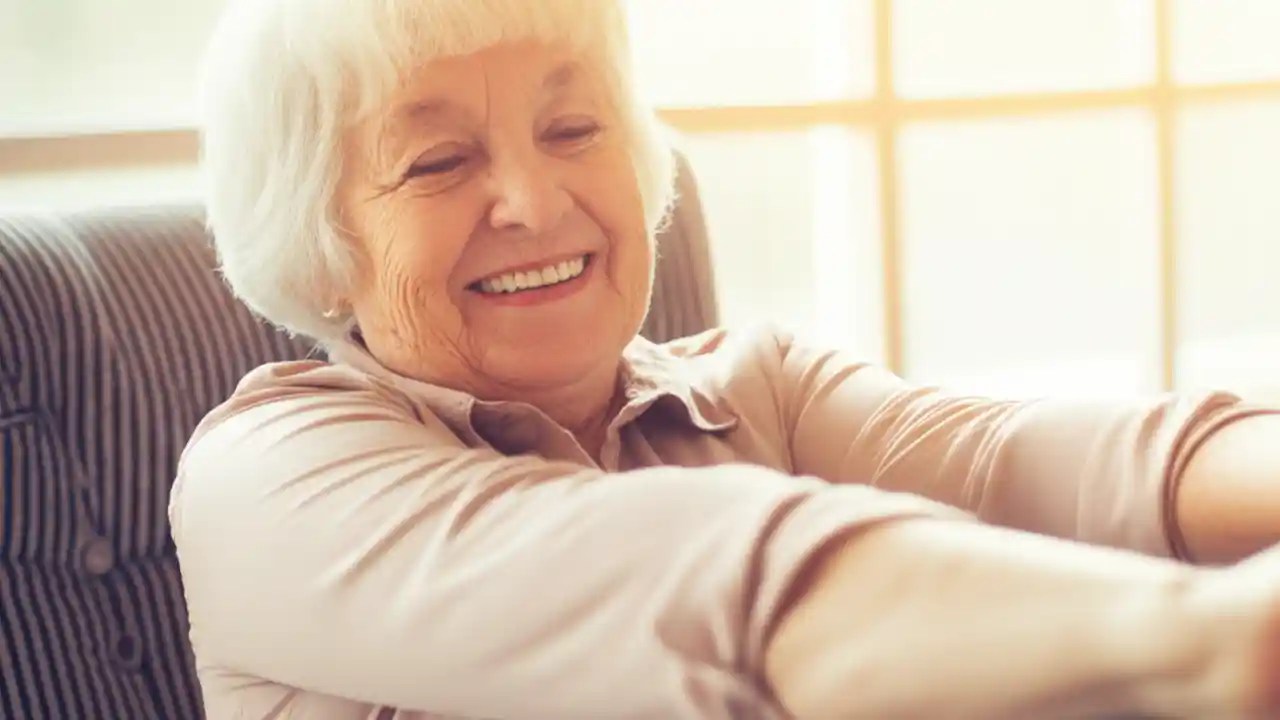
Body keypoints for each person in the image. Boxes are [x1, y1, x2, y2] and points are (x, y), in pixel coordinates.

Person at [173, 0, 1280, 717]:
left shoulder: (761, 387)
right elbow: (703, 582)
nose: (534, 199)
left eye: (573, 131)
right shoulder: (268, 476)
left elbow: (1035, 460)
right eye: (436, 161)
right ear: (319, 248)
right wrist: (1208, 640)